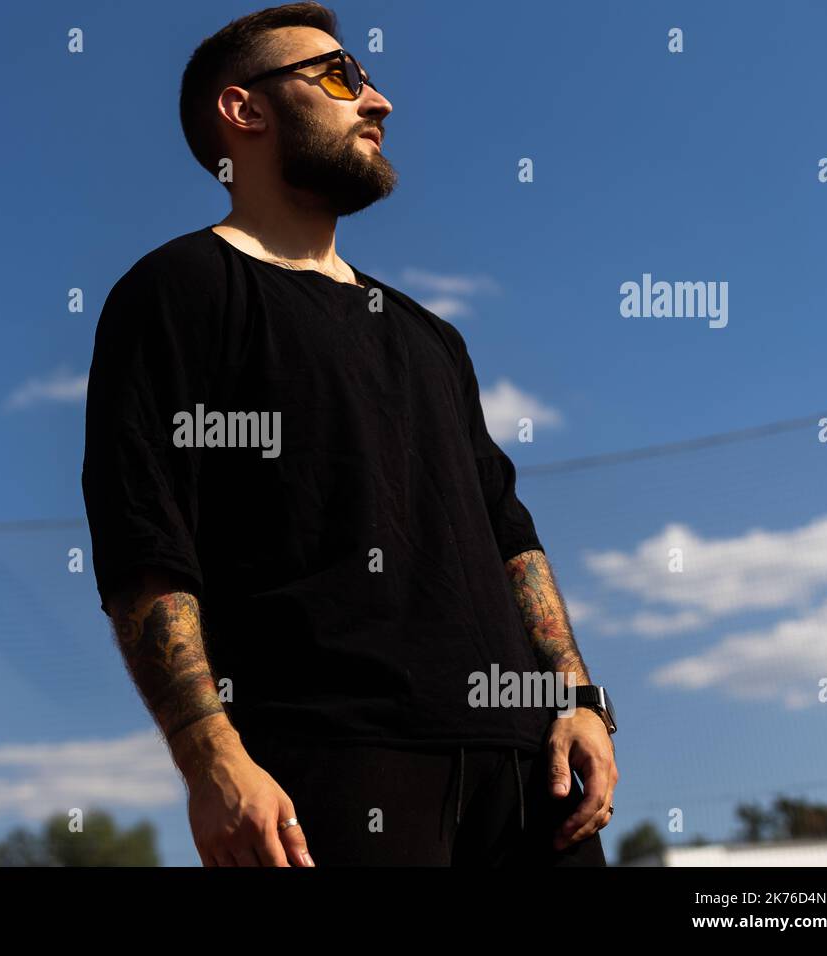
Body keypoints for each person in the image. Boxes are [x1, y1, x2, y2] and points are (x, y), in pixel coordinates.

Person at [81, 1, 618, 866]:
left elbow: (511, 538)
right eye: (338, 76)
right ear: (243, 110)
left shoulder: (430, 335)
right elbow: (145, 544)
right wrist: (211, 760)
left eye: (365, 78)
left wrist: (582, 699)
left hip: (532, 780)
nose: (379, 101)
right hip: (327, 769)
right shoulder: (176, 290)